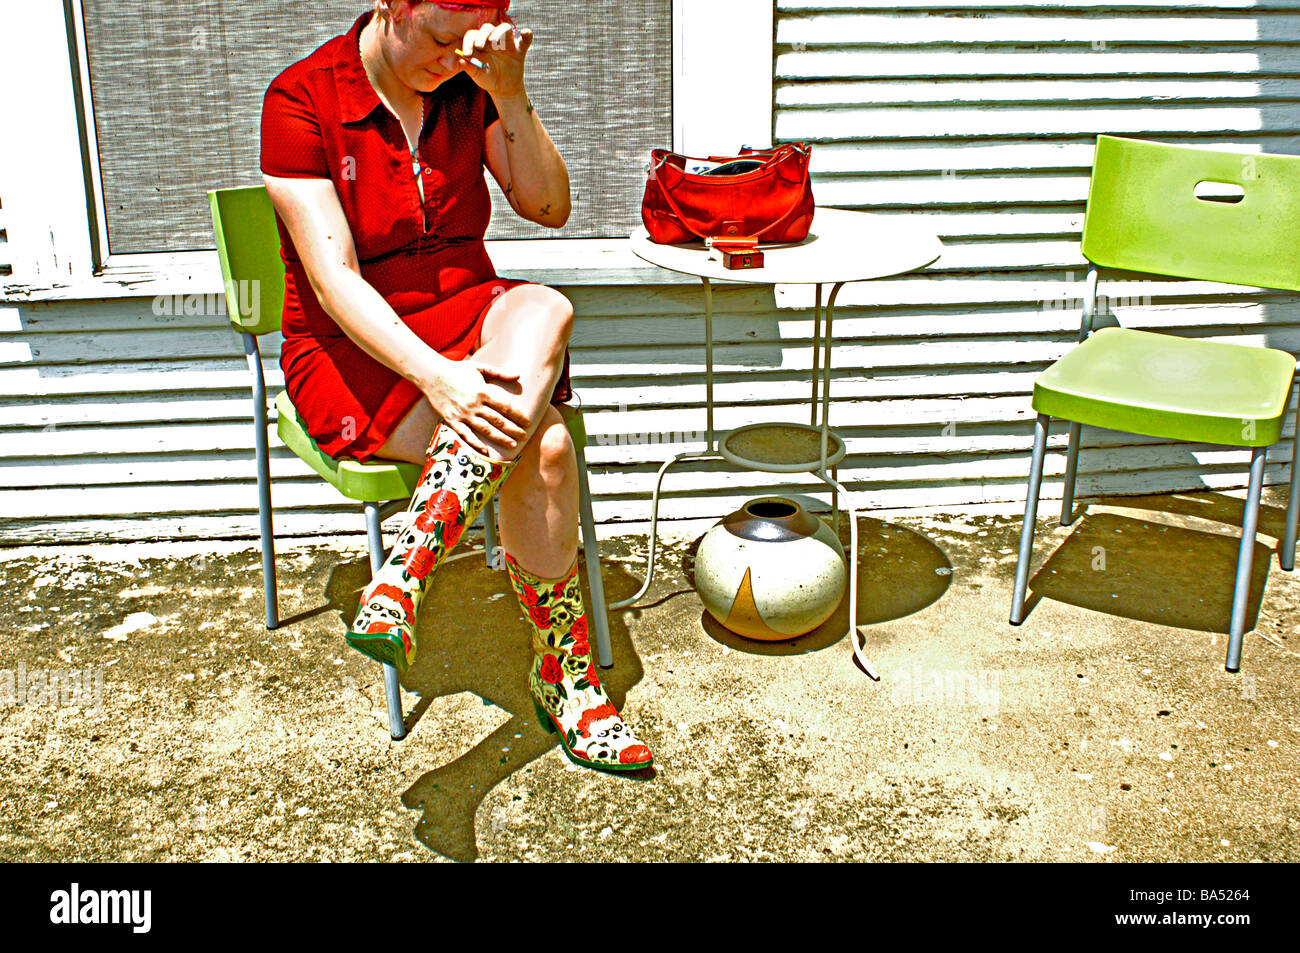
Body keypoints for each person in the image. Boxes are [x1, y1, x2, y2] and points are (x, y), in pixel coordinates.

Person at [259, 0, 652, 771]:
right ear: (388, 6)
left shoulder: (470, 88)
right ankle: (565, 677)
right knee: (543, 451)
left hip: (467, 313)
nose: (452, 60)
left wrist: (509, 91)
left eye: (467, 43)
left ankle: (407, 570)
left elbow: (549, 207)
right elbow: (334, 282)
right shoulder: (302, 100)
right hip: (354, 346)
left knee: (549, 305)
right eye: (439, 39)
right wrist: (440, 378)